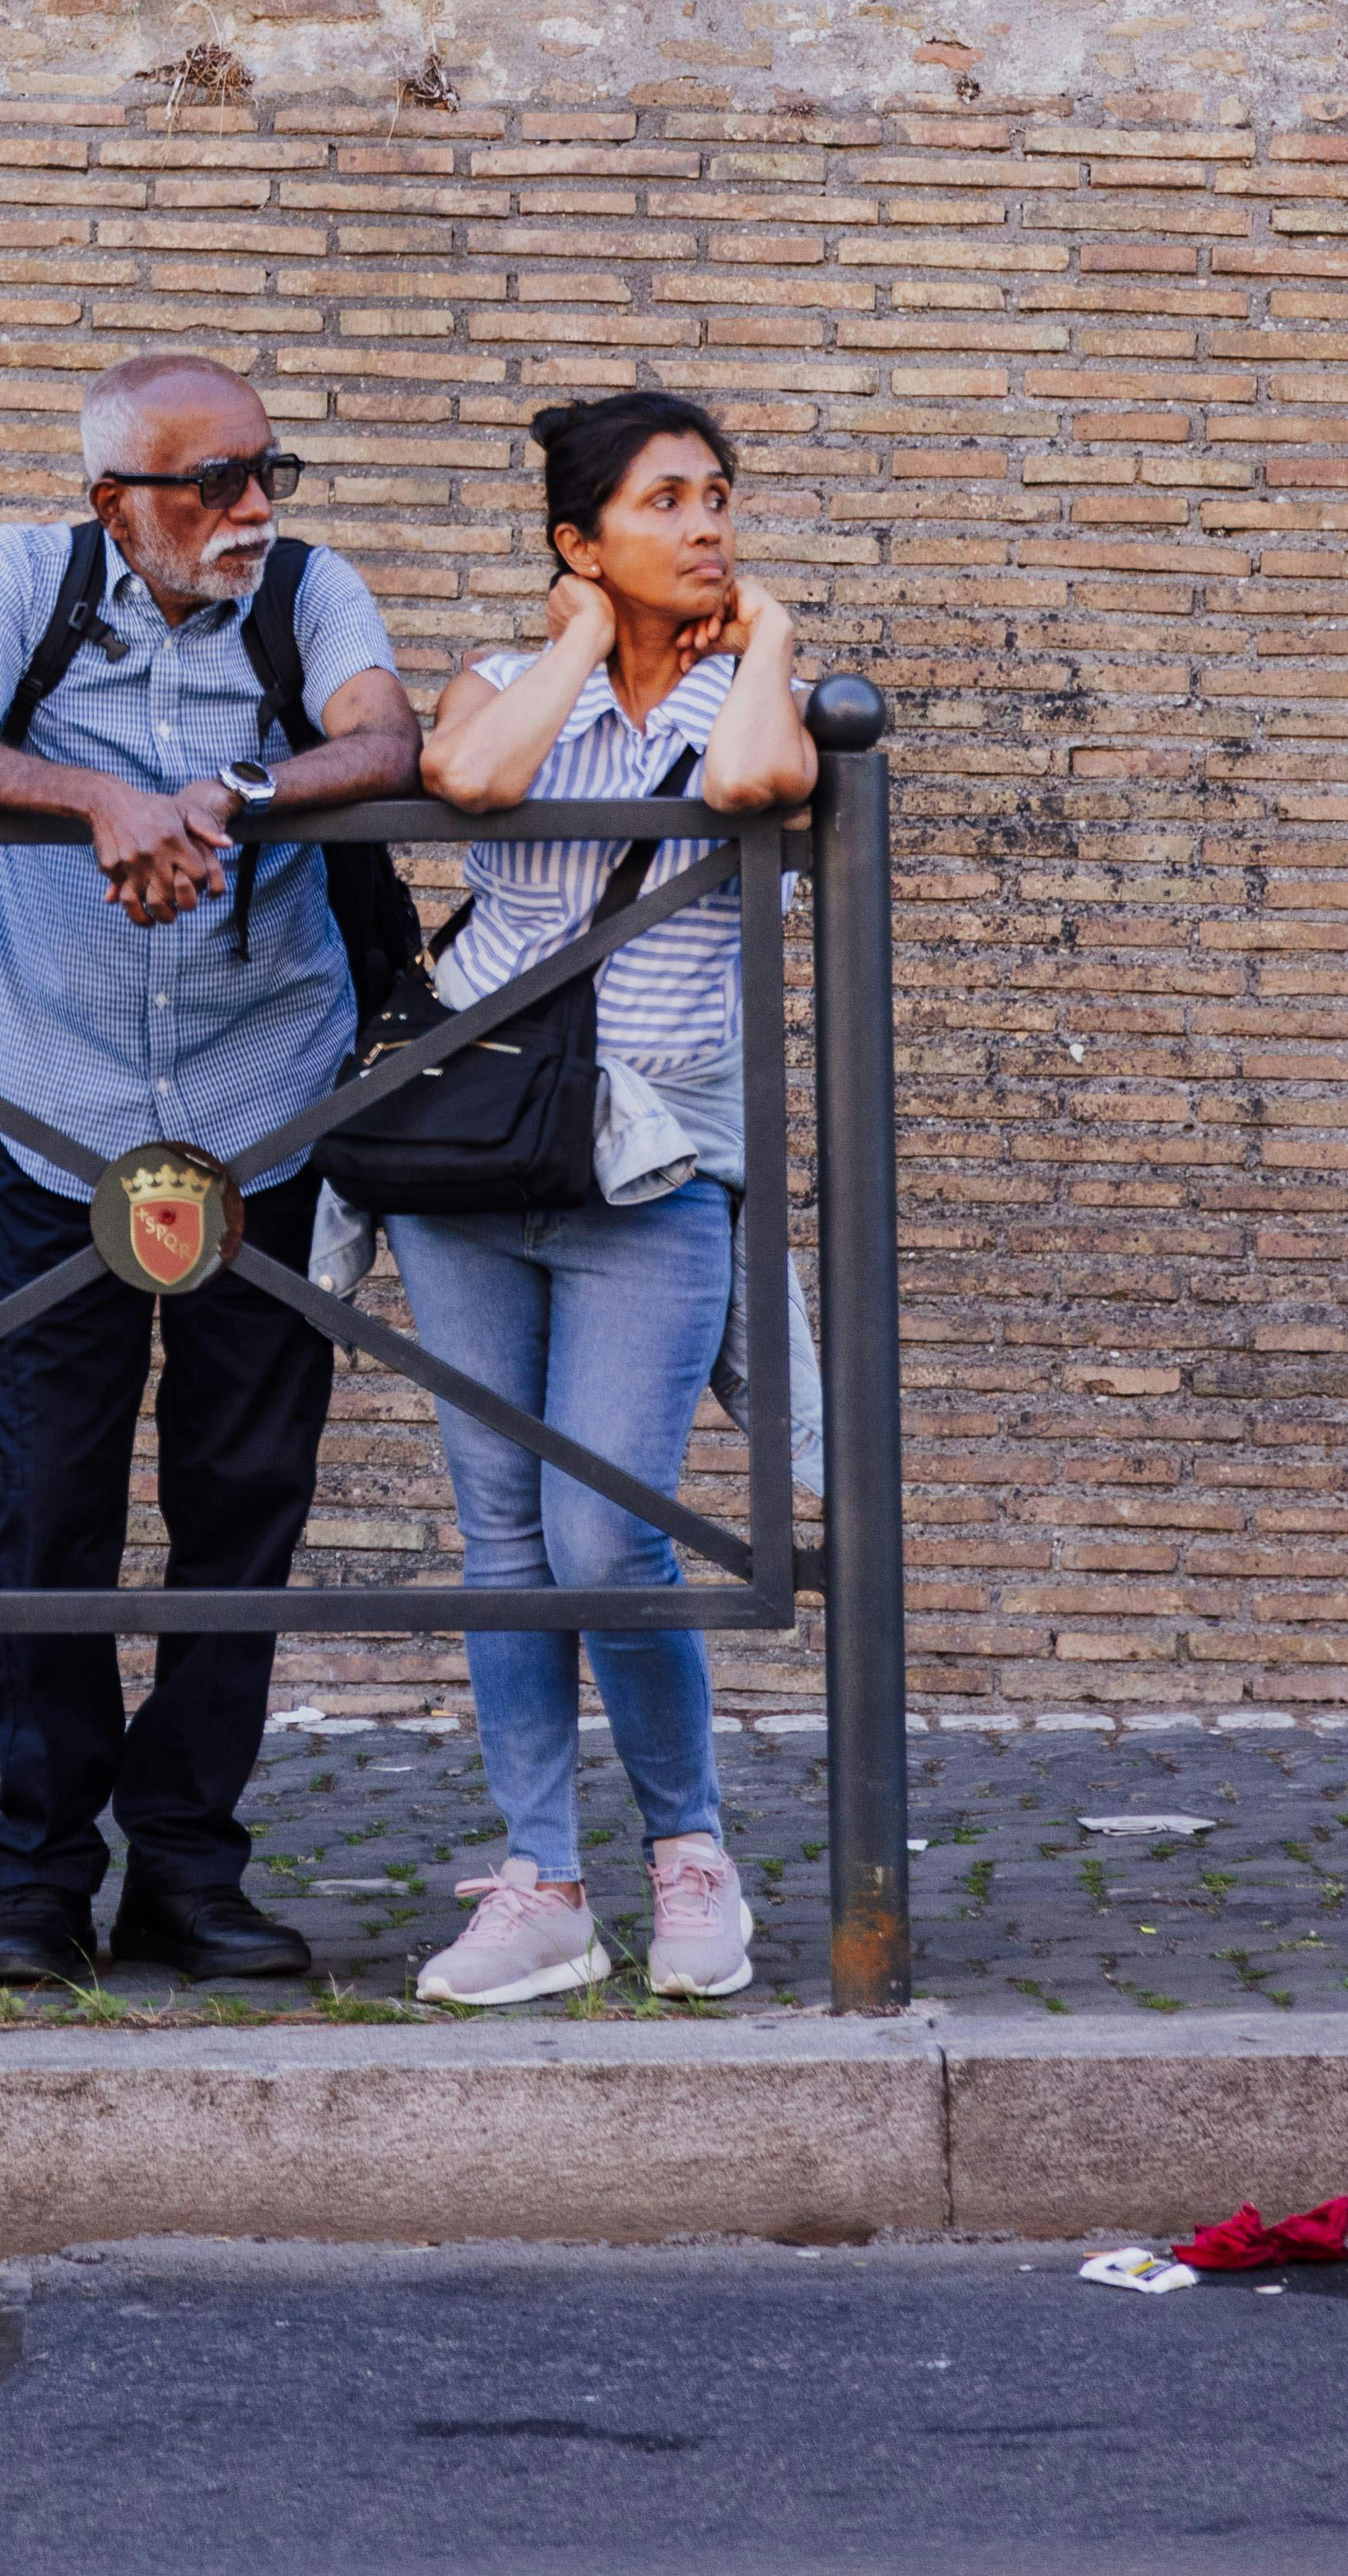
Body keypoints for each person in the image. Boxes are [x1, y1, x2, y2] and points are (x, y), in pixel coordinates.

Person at [0, 349, 422, 1989]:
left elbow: (384, 741)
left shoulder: (306, 587)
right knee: (48, 1503)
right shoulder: (19, 571)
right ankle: (38, 1879)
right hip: (56, 1118)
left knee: (240, 1504)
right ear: (115, 498)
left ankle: (187, 1866)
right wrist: (101, 800)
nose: (251, 507)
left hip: (266, 1117)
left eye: (269, 468)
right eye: (211, 484)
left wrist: (224, 792)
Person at [393, 381, 815, 2010]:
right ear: (578, 540)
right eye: (661, 501)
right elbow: (473, 774)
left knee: (604, 1532)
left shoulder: (750, 687)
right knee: (501, 1539)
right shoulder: (511, 677)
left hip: (646, 1172)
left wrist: (761, 630)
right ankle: (540, 1882)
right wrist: (576, 640)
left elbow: (755, 785)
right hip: (469, 1156)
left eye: (715, 494)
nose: (703, 523)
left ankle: (686, 1852)